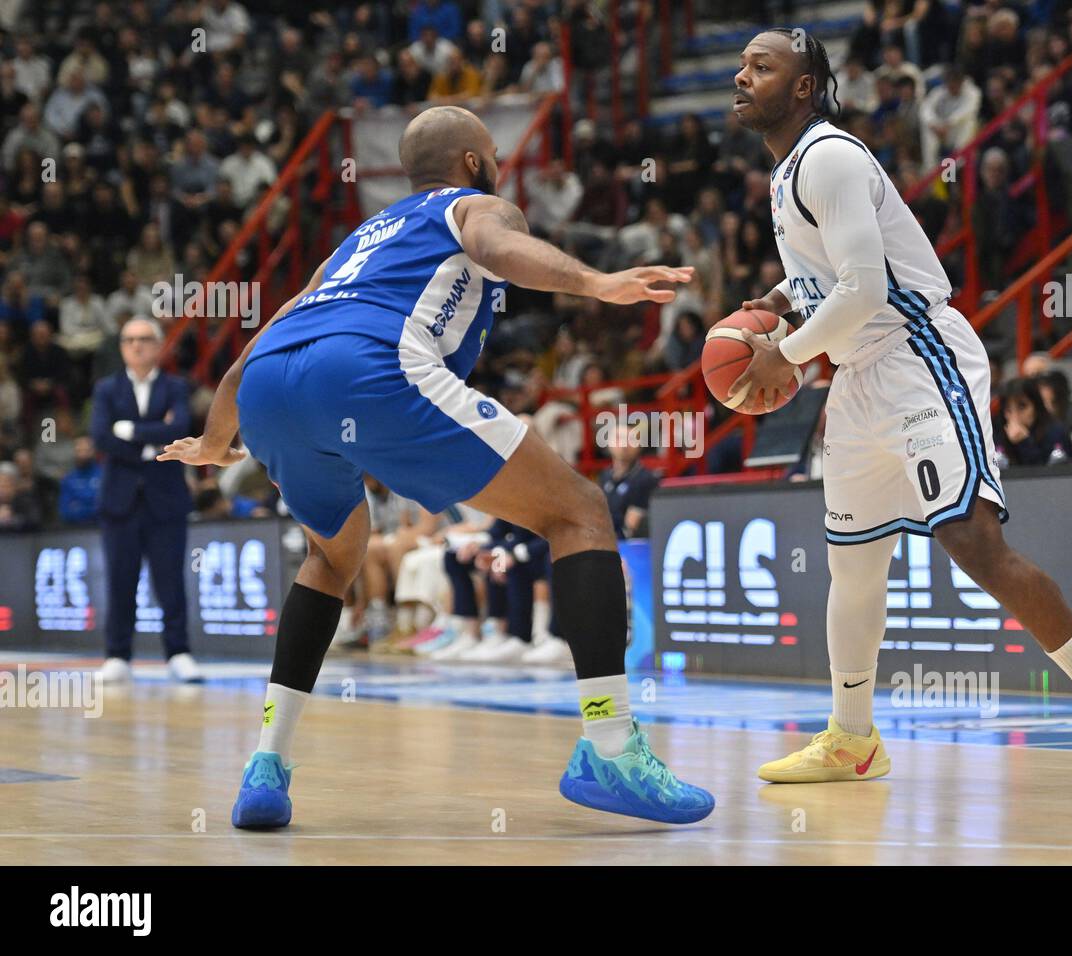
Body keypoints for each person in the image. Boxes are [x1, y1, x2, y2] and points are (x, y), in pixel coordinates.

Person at [158, 106, 712, 828]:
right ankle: (610, 746)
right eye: (492, 154)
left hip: (269, 384)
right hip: (364, 369)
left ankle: (267, 763)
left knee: (333, 558)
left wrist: (211, 443)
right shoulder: (474, 205)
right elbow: (501, 249)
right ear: (476, 161)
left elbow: (249, 353)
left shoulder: (358, 240)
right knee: (577, 511)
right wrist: (596, 283)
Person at [729, 29, 1072, 793]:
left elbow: (864, 289)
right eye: (743, 64)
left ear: (803, 87)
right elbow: (831, 278)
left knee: (972, 541)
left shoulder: (829, 155)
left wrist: (785, 354)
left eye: (761, 66)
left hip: (918, 355)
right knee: (853, 565)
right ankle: (852, 739)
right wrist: (778, 302)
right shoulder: (786, 171)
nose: (741, 75)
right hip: (861, 375)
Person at [90, 317, 200, 683]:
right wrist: (153, 438)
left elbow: (179, 429)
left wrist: (132, 430)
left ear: (158, 346)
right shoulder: (107, 389)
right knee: (121, 580)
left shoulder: (176, 386)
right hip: (119, 502)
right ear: (122, 347)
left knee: (170, 580)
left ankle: (179, 653)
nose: (136, 345)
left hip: (166, 499)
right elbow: (101, 438)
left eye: (144, 339)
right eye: (129, 339)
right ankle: (117, 655)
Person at [995, 376, 1072, 466]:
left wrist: (1025, 443)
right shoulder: (997, 436)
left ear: (1036, 406)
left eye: (1022, 406)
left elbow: (1048, 476)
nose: (1015, 416)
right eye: (1008, 409)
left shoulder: (1056, 433)